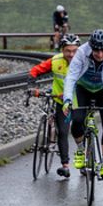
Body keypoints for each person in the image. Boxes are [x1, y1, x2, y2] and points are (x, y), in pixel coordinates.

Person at [62, 29, 103, 181]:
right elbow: (71, 77)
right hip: (83, 88)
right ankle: (80, 150)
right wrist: (67, 100)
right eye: (96, 50)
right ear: (91, 46)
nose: (100, 54)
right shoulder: (82, 52)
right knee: (77, 120)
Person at [26, 34, 81, 178]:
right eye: (68, 50)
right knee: (62, 132)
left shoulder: (85, 63)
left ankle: (85, 161)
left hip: (80, 103)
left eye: (74, 51)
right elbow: (35, 70)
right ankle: (65, 166)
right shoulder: (55, 61)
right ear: (62, 50)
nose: (71, 54)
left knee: (80, 132)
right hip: (61, 103)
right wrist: (32, 85)